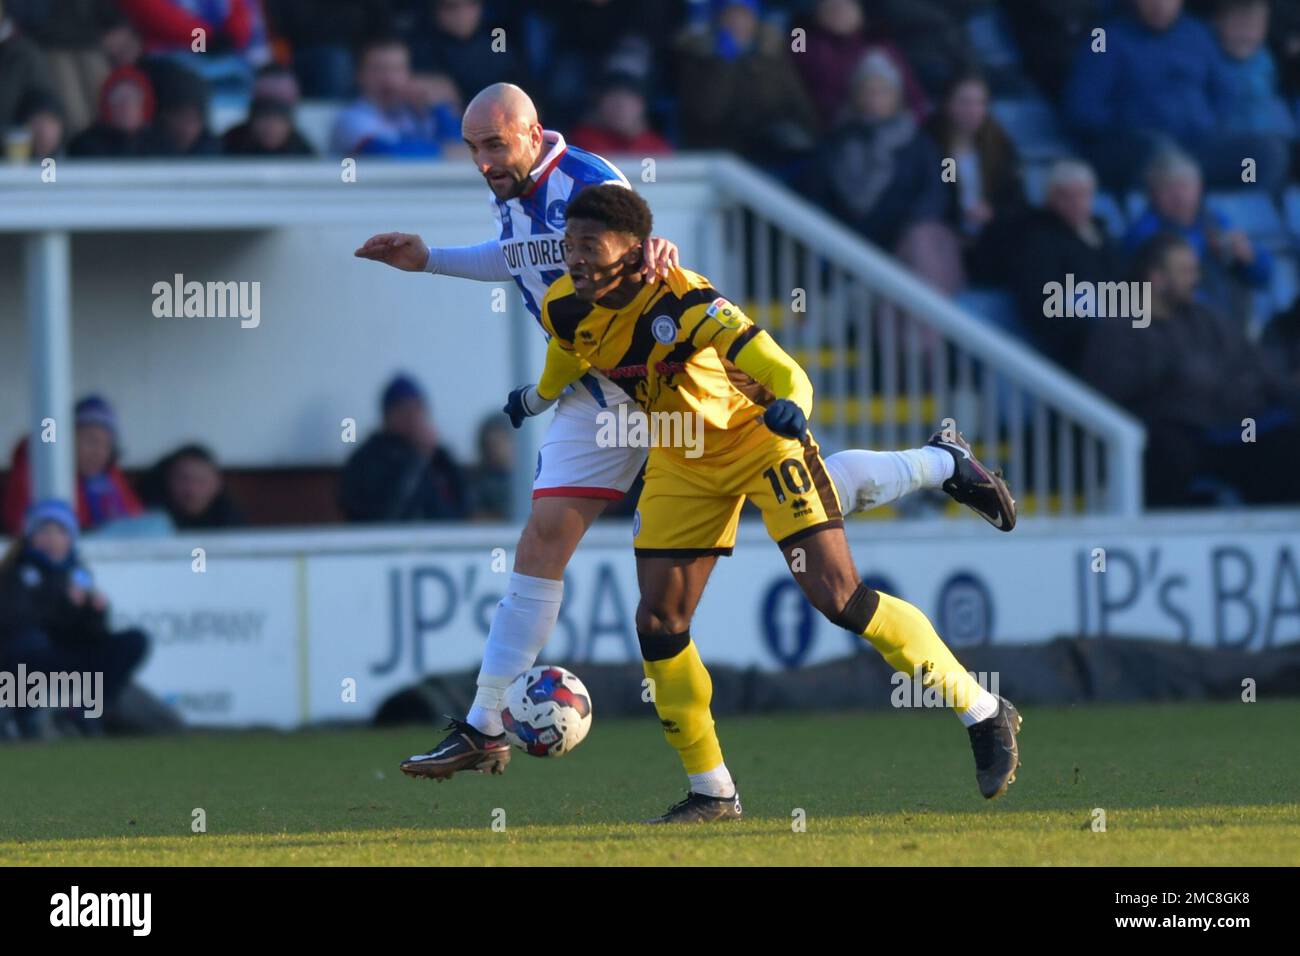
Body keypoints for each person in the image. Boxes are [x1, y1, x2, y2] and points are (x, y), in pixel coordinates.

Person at [354, 83, 1012, 785]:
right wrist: (432, 262)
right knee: (566, 553)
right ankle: (491, 726)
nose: (483, 160)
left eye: (494, 144)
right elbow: (523, 268)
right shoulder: (521, 216)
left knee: (823, 550)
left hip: (692, 395)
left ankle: (937, 474)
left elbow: (636, 240)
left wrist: (660, 256)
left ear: (532, 131)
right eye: (473, 148)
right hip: (604, 384)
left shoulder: (588, 182)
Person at [511, 185, 1022, 819]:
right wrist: (534, 400)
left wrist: (794, 407)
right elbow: (567, 352)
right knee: (659, 626)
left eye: (590, 245)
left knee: (840, 598)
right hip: (679, 459)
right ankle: (712, 790)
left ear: (634, 249)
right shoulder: (565, 304)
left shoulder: (687, 300)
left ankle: (983, 710)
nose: (576, 258)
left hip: (761, 442)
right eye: (569, 245)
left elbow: (785, 370)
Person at [1080, 232, 1300, 506]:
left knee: (1286, 445)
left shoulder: (1209, 318)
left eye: (1194, 269)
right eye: (1185, 271)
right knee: (1171, 454)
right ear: (1157, 279)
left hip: (1228, 427)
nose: (1195, 279)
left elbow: (1256, 366)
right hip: (1167, 435)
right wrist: (1173, 372)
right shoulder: (1119, 328)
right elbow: (1108, 389)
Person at [1063, 0, 1287, 192]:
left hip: (1197, 146)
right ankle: (1161, 223)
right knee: (1163, 155)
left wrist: (1207, 121)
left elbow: (1224, 91)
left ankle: (1242, 217)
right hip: (1136, 149)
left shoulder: (1196, 33)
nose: (1160, 5)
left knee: (1264, 154)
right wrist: (1130, 123)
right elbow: (1083, 108)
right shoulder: (1104, 38)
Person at [0, 499, 149, 739]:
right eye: (44, 531)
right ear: (30, 536)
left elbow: (92, 632)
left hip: (64, 654)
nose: (52, 539)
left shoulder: (78, 574)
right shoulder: (17, 573)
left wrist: (94, 611)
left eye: (60, 532)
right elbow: (16, 623)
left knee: (133, 641)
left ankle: (85, 713)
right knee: (27, 645)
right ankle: (21, 713)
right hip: (27, 660)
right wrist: (65, 606)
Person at [1124, 149, 1273, 321]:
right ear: (1152, 193)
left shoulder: (1213, 220)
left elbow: (1264, 275)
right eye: (1169, 189)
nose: (1179, 197)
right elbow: (1174, 290)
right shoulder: (1144, 233)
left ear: (1199, 187)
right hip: (1180, 325)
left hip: (1226, 326)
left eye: (1185, 186)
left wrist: (1248, 257)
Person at [1011, 159, 1124, 370]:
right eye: (1067, 196)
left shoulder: (1102, 235)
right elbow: (1041, 305)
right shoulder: (1037, 240)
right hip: (1074, 342)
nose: (1077, 203)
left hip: (1114, 328)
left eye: (1083, 195)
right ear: (1051, 198)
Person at [2, 395, 144, 535]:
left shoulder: (109, 478)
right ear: (67, 439)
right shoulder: (40, 472)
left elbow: (137, 524)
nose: (98, 452)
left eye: (107, 445)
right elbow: (22, 525)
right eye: (91, 440)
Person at [338, 374, 471, 522]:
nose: (414, 417)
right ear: (387, 414)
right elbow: (386, 516)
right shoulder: (366, 459)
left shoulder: (439, 456)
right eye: (405, 410)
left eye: (418, 409)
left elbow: (463, 508)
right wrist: (418, 460)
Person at [329, 34, 460, 157]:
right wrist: (447, 152)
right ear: (360, 75)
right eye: (379, 69)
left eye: (397, 69)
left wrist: (438, 106)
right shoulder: (351, 118)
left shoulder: (418, 111)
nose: (389, 78)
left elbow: (462, 147)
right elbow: (386, 154)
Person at [143, 444, 245, 529]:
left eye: (201, 481)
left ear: (217, 484)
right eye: (183, 480)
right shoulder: (148, 518)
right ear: (167, 480)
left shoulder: (231, 521)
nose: (192, 490)